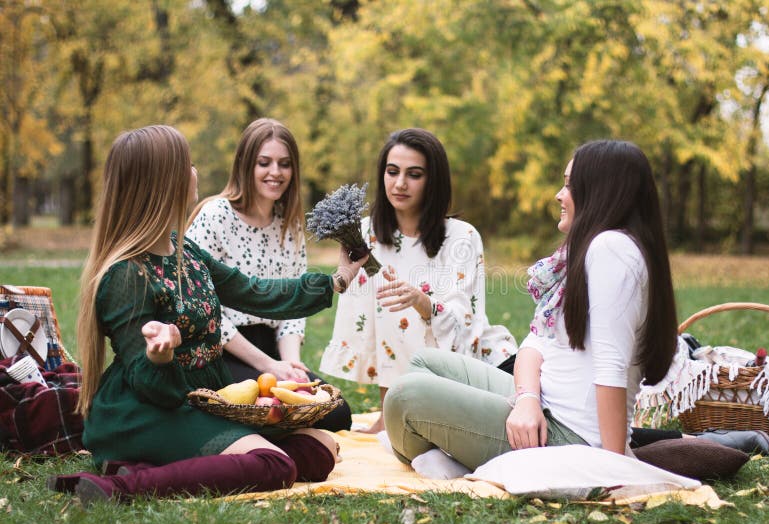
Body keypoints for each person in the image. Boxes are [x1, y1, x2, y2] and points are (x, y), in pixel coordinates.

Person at [47, 125, 366, 503]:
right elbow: (151, 385)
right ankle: (120, 487)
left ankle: (153, 468)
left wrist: (337, 280)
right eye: (188, 164)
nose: (195, 172)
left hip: (203, 394)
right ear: (162, 181)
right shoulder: (126, 275)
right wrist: (159, 356)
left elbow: (255, 292)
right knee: (276, 465)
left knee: (321, 447)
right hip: (149, 411)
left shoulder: (184, 249)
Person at [384, 139, 681, 471]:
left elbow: (610, 365)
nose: (559, 194)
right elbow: (537, 341)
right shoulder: (581, 253)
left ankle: (449, 459)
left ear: (600, 191)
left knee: (405, 397)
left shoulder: (612, 250)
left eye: (569, 185)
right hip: (539, 407)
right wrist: (528, 400)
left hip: (567, 437)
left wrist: (612, 466)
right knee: (426, 362)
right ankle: (454, 454)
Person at [319, 128, 517, 434]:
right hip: (410, 390)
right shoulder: (365, 235)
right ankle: (396, 415)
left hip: (478, 368)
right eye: (392, 171)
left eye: (414, 174)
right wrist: (388, 416)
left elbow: (465, 320)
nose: (400, 183)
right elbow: (375, 324)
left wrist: (422, 302)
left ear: (433, 181)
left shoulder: (462, 238)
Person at [187, 118, 352, 432]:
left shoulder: (289, 224)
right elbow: (200, 306)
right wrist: (268, 365)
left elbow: (293, 305)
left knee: (337, 413)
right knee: (260, 414)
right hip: (224, 350)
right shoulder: (216, 216)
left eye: (284, 164)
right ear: (245, 166)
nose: (275, 172)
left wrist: (290, 364)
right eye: (264, 163)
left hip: (273, 348)